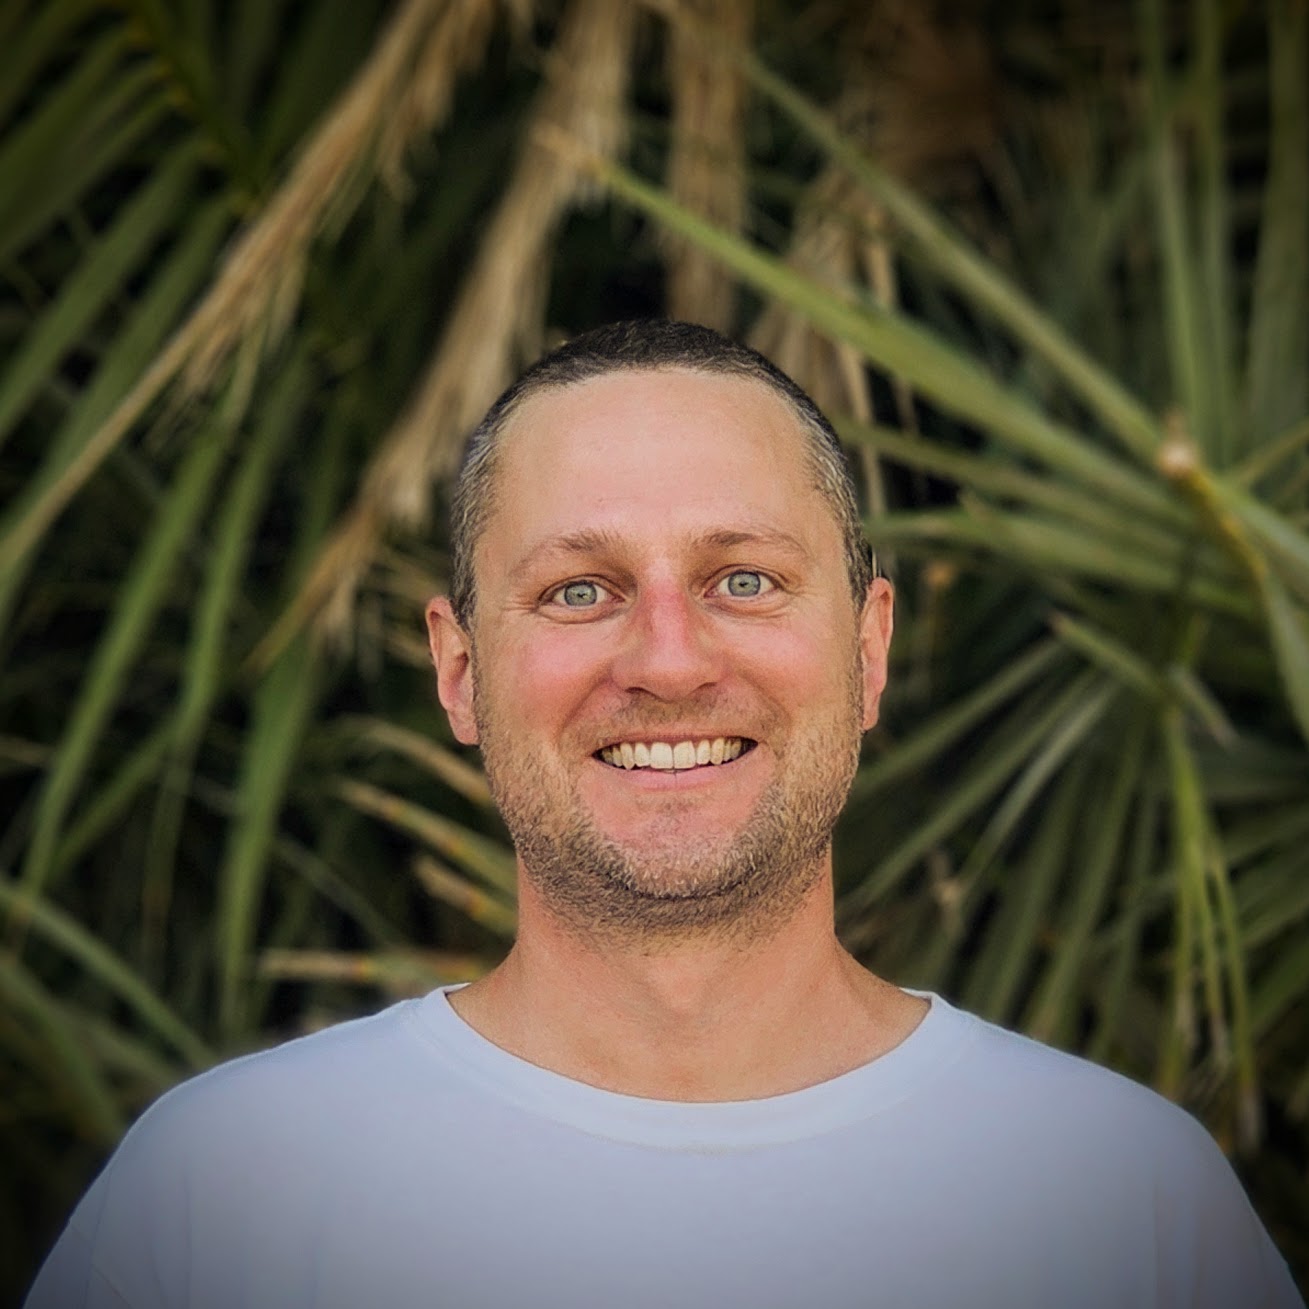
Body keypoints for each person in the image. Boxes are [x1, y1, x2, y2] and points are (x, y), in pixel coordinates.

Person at [27, 320, 1301, 1309]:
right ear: (459, 668)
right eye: (580, 590)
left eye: (742, 578)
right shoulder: (222, 1192)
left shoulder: (1121, 1200)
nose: (671, 660)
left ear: (868, 652)